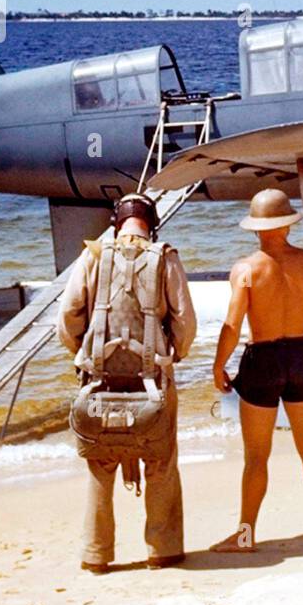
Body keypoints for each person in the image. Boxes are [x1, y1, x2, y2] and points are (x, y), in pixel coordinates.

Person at [58, 192, 197, 574]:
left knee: (99, 468)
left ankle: (96, 554)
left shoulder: (93, 255)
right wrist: (173, 358)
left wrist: (82, 354)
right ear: (151, 223)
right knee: (161, 464)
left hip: (98, 386)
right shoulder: (164, 257)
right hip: (152, 385)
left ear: (116, 223)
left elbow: (67, 317)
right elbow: (186, 324)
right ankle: (163, 550)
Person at [210, 188, 303, 551]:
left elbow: (232, 323)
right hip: (301, 354)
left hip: (262, 360)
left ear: (257, 228)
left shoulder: (246, 269)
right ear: (288, 225)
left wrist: (218, 366)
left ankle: (246, 536)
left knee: (257, 457)